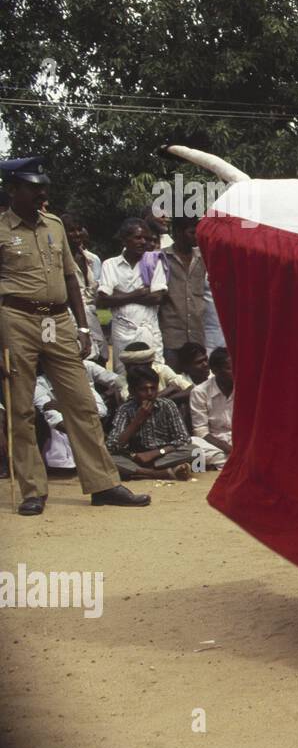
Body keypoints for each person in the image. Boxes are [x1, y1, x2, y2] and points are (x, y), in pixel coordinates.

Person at [0, 156, 150, 514]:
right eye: (34, 187)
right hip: (15, 318)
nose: (42, 193)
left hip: (58, 320)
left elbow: (70, 277)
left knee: (82, 403)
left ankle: (103, 484)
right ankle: (33, 490)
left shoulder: (54, 225)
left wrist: (83, 327)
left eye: (44, 187)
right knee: (21, 408)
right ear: (13, 190)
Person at [98, 218, 168, 372]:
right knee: (124, 377)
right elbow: (103, 300)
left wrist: (119, 296)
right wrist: (138, 293)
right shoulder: (110, 265)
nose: (143, 242)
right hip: (122, 332)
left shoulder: (154, 262)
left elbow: (157, 297)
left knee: (155, 374)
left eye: (146, 238)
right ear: (124, 240)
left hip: (148, 329)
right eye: (138, 237)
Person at [106, 366, 196, 480]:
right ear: (132, 391)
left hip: (162, 456)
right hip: (134, 458)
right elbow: (113, 445)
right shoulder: (125, 409)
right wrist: (137, 420)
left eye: (153, 388)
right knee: (107, 457)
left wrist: (154, 453)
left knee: (194, 451)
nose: (149, 393)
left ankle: (141, 472)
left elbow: (183, 439)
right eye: (143, 389)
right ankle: (159, 473)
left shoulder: (167, 405)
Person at [159, 214, 210, 370]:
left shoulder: (203, 257)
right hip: (171, 335)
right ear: (178, 232)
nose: (196, 236)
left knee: (198, 379)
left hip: (197, 333)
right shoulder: (161, 258)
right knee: (174, 381)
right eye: (192, 232)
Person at [62, 216, 109, 361]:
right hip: (71, 318)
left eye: (79, 229)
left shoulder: (92, 259)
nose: (76, 234)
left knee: (102, 357)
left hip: (94, 318)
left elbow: (100, 296)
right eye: (71, 230)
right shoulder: (59, 261)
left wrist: (106, 323)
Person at [189, 346, 233, 470]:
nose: (236, 371)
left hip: (240, 441)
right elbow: (201, 431)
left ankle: (229, 463)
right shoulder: (200, 392)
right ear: (215, 370)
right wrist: (228, 449)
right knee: (194, 446)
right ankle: (235, 462)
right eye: (229, 368)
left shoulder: (245, 387)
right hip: (215, 443)